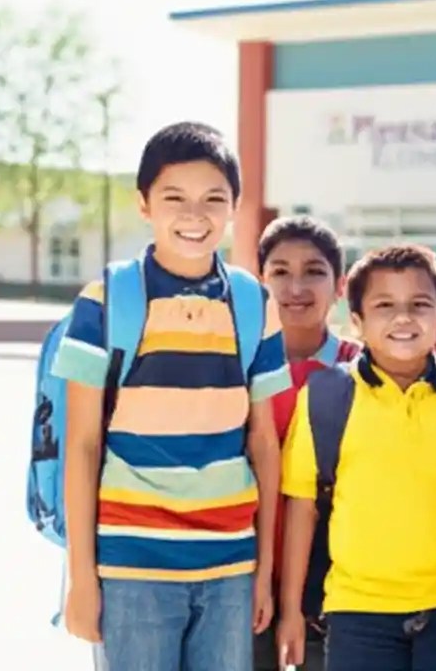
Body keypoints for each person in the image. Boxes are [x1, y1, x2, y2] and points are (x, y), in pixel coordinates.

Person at [51, 121, 286, 669]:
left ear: (235, 206)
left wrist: (263, 573)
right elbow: (82, 445)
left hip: (230, 567)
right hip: (132, 567)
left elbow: (265, 446)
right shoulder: (105, 303)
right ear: (144, 204)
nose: (194, 215)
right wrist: (82, 578)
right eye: (174, 198)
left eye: (213, 199)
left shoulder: (253, 305)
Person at [278, 244, 436, 671]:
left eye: (419, 305)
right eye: (384, 305)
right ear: (356, 322)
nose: (403, 318)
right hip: (356, 611)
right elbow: (302, 509)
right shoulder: (324, 399)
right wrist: (290, 611)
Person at [252, 216, 361, 671]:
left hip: (334, 581)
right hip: (247, 574)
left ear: (340, 286)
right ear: (260, 281)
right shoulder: (238, 366)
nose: (296, 286)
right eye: (280, 272)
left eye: (314, 271)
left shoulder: (362, 368)